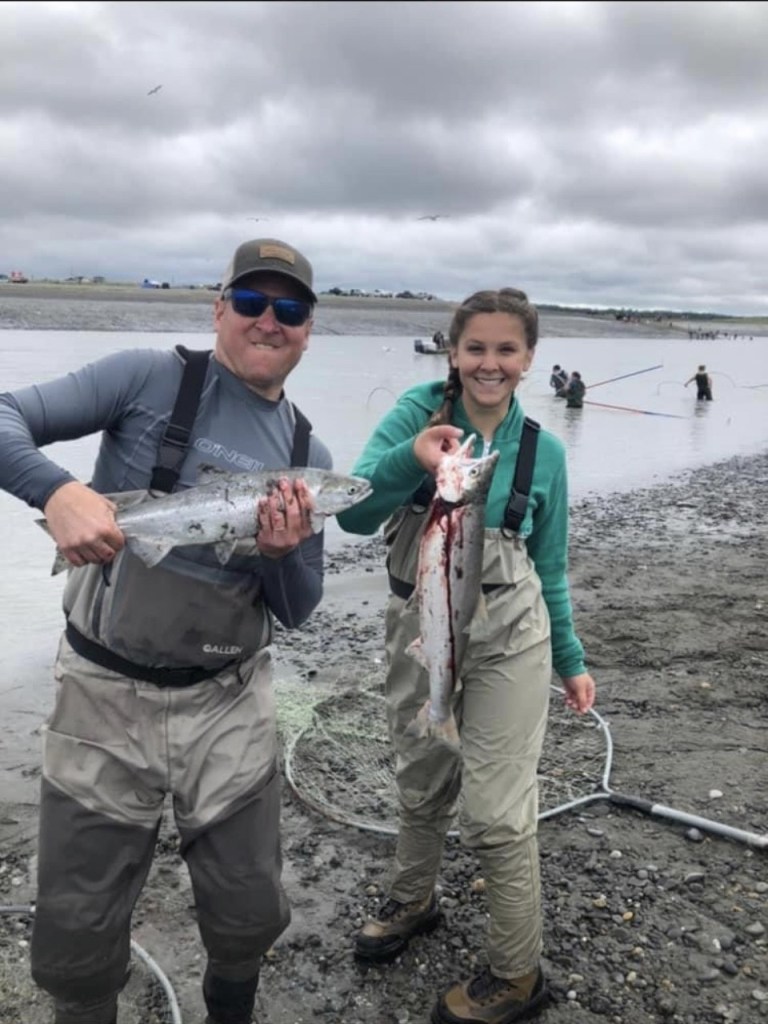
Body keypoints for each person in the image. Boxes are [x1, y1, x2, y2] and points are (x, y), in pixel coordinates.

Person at [0, 238, 331, 1024]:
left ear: (308, 330)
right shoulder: (145, 378)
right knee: (76, 937)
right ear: (218, 309)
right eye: (250, 301)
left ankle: (231, 1007)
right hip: (103, 695)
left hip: (229, 700)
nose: (268, 320)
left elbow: (299, 608)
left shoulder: (307, 456)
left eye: (288, 309)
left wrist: (281, 555)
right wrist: (56, 492)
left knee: (249, 911)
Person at [337, 288, 596, 1024]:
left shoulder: (543, 452)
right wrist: (412, 458)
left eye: (506, 350)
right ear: (453, 352)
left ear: (529, 359)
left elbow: (550, 566)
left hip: (512, 635)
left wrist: (571, 659)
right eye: (475, 348)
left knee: (497, 812)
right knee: (421, 778)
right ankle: (413, 899)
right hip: (420, 625)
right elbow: (354, 513)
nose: (490, 363)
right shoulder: (414, 414)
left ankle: (517, 972)